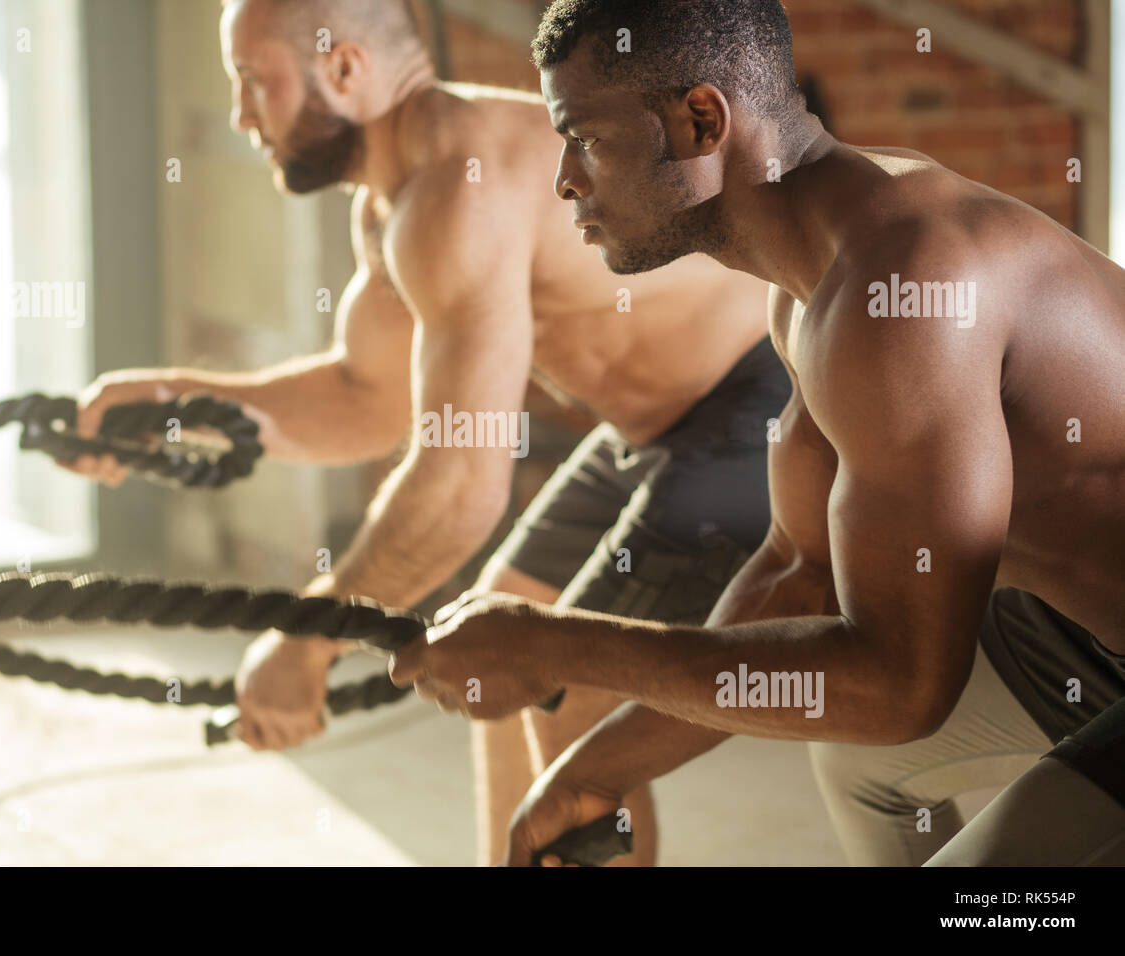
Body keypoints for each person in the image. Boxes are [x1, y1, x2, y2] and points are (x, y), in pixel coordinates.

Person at [390, 0, 1125, 866]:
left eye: (583, 136)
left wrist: (555, 642)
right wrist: (601, 765)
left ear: (702, 120)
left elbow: (903, 687)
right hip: (1079, 645)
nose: (564, 180)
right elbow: (797, 571)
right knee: (856, 758)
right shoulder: (810, 284)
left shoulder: (907, 283)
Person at [62, 0, 786, 866]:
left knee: (566, 686)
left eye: (254, 81)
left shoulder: (453, 191)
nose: (239, 115)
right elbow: (366, 397)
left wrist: (308, 638)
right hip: (655, 431)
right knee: (500, 658)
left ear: (343, 70)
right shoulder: (393, 199)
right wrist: (172, 404)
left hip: (761, 405)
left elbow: (457, 489)